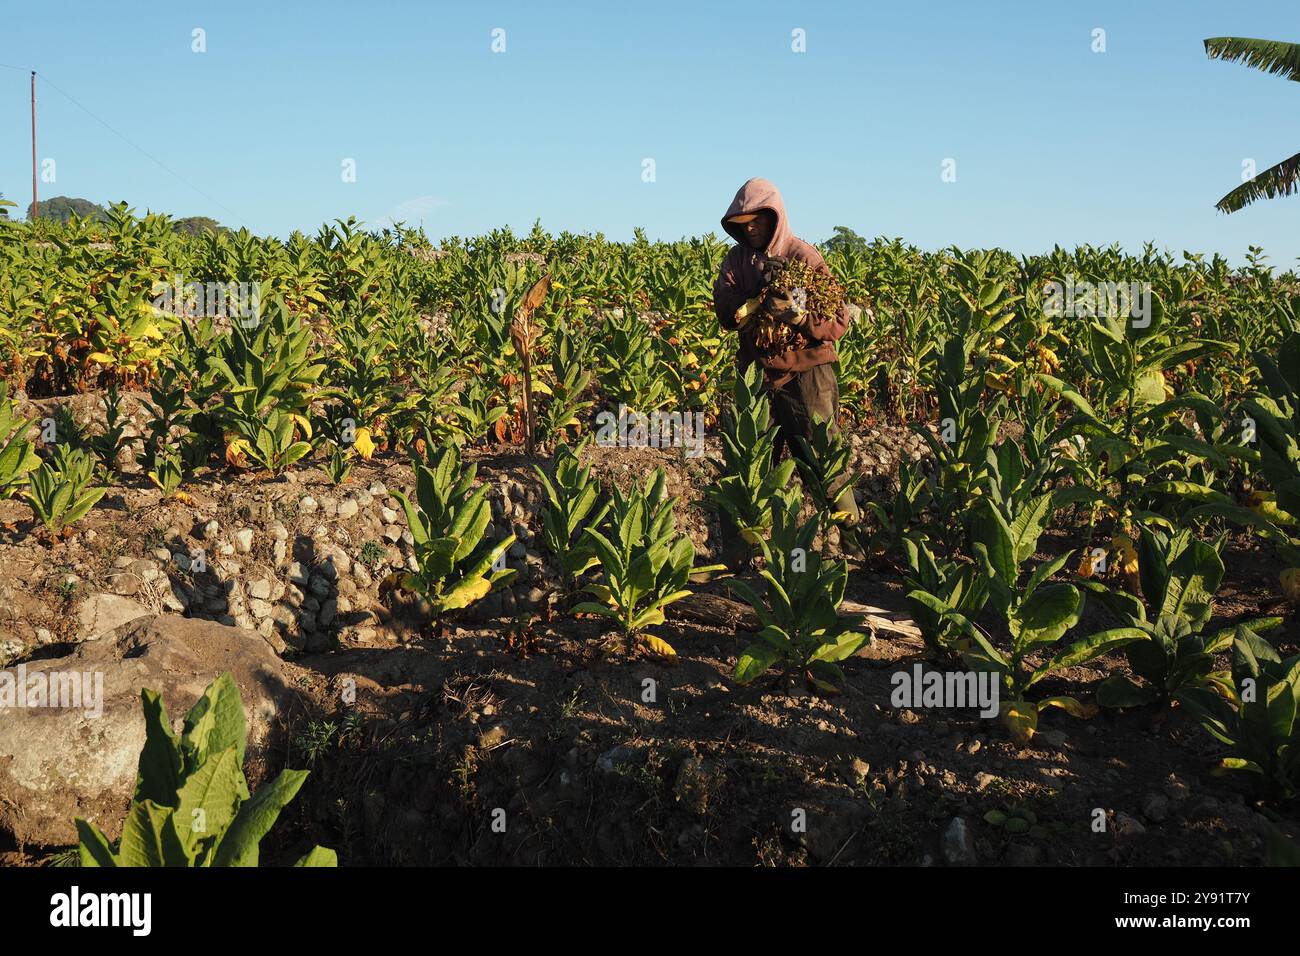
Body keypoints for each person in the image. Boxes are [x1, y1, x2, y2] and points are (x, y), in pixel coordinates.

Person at [713, 177, 862, 550]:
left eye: (757, 222)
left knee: (822, 459)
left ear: (773, 217)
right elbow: (724, 308)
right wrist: (749, 307)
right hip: (756, 377)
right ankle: (740, 558)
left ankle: (854, 548)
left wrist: (797, 317)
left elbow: (837, 322)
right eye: (742, 225)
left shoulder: (804, 258)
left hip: (807, 375)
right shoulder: (736, 261)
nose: (749, 230)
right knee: (748, 464)